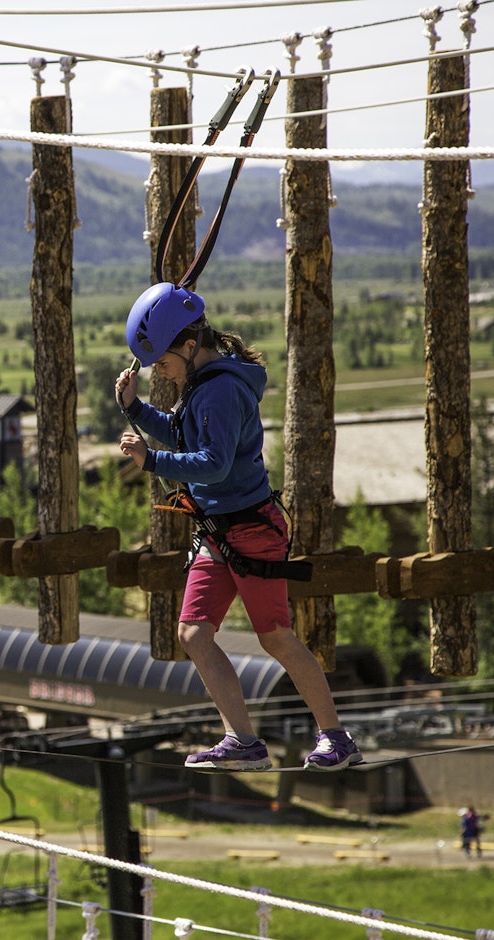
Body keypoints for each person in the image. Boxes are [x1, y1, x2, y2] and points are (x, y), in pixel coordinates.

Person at [114, 282, 362, 773]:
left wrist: (151, 460)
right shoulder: (205, 386)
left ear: (189, 347)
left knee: (276, 638)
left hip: (249, 531)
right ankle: (242, 741)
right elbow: (188, 433)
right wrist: (136, 410)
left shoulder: (221, 390)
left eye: (163, 363)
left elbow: (215, 463)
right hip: (219, 532)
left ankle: (337, 738)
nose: (160, 372)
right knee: (194, 633)